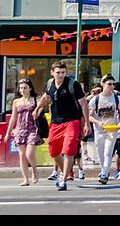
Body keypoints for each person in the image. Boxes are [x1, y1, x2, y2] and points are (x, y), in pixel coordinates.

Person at [33, 62, 88, 192]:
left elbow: (84, 104)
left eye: (63, 72)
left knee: (68, 150)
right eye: (58, 72)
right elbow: (46, 97)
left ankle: (63, 179)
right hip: (56, 122)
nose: (61, 75)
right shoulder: (50, 83)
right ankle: (67, 171)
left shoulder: (72, 84)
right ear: (52, 72)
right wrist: (37, 109)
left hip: (72, 121)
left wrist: (86, 123)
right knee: (53, 150)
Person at [3, 78, 40, 187]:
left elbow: (42, 107)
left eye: (25, 88)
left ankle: (34, 170)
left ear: (30, 88)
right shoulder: (16, 101)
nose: (23, 90)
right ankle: (25, 179)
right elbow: (13, 118)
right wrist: (8, 132)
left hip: (32, 128)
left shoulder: (35, 99)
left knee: (29, 154)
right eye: (21, 88)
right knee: (22, 155)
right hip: (20, 129)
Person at [87, 75, 120, 185]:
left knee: (108, 152)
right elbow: (89, 116)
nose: (112, 86)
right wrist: (98, 122)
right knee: (100, 153)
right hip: (99, 130)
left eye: (113, 84)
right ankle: (105, 170)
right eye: (109, 84)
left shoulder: (117, 98)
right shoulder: (96, 99)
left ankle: (104, 174)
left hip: (112, 129)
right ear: (103, 84)